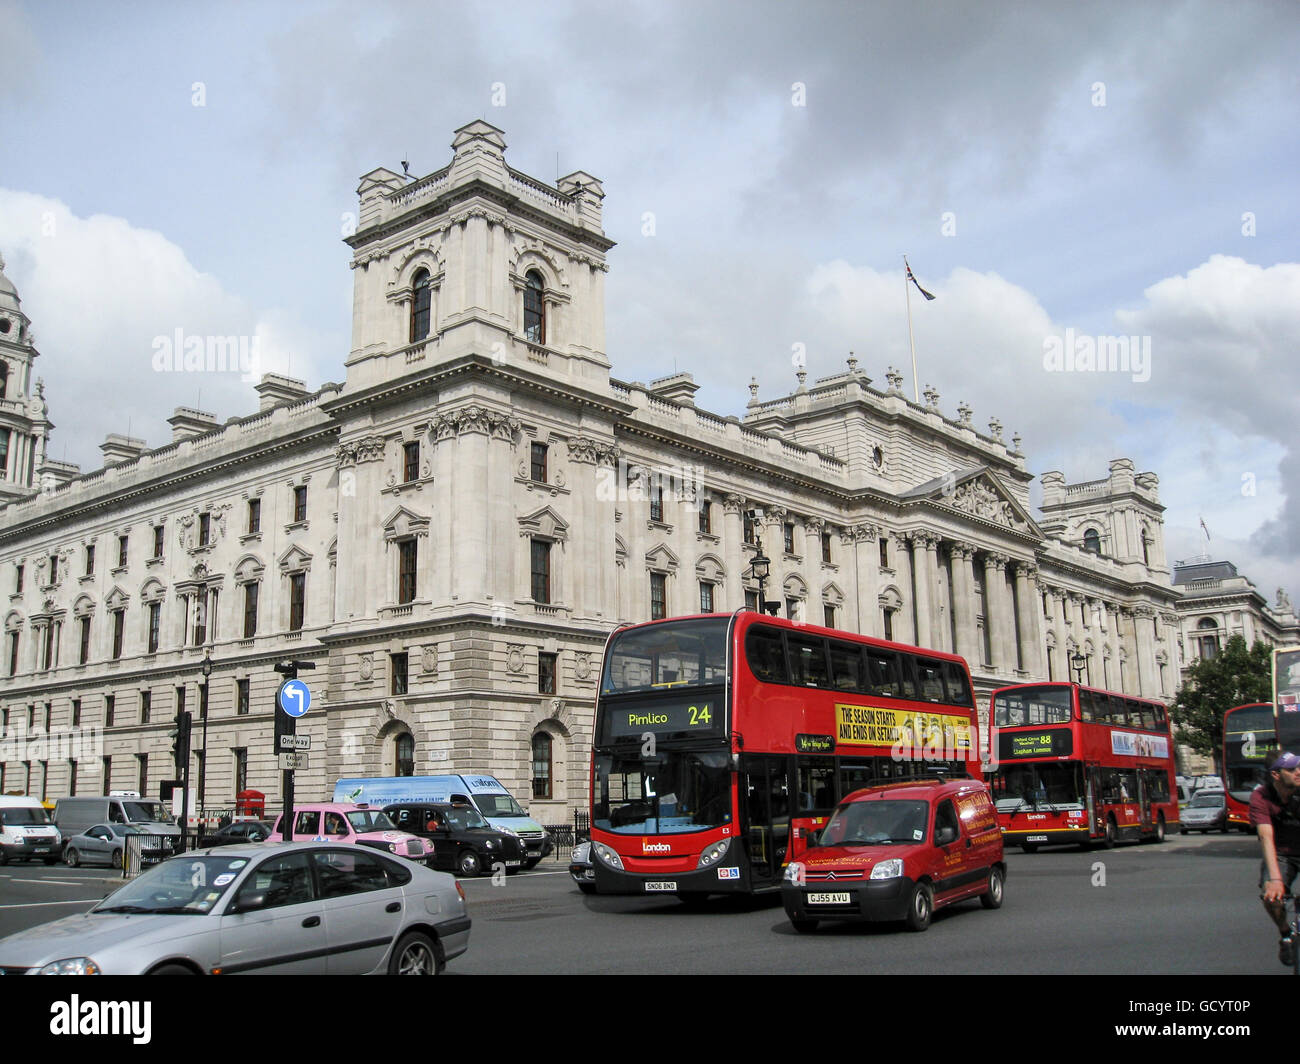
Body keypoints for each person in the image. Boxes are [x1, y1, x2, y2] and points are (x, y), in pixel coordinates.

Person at [1250, 751, 1300, 966]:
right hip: (1282, 854)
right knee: (1271, 897)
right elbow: (1265, 836)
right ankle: (1285, 934)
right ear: (1276, 775)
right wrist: (1275, 880)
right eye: (1292, 769)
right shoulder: (1260, 797)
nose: (1299, 772)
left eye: (1299, 767)